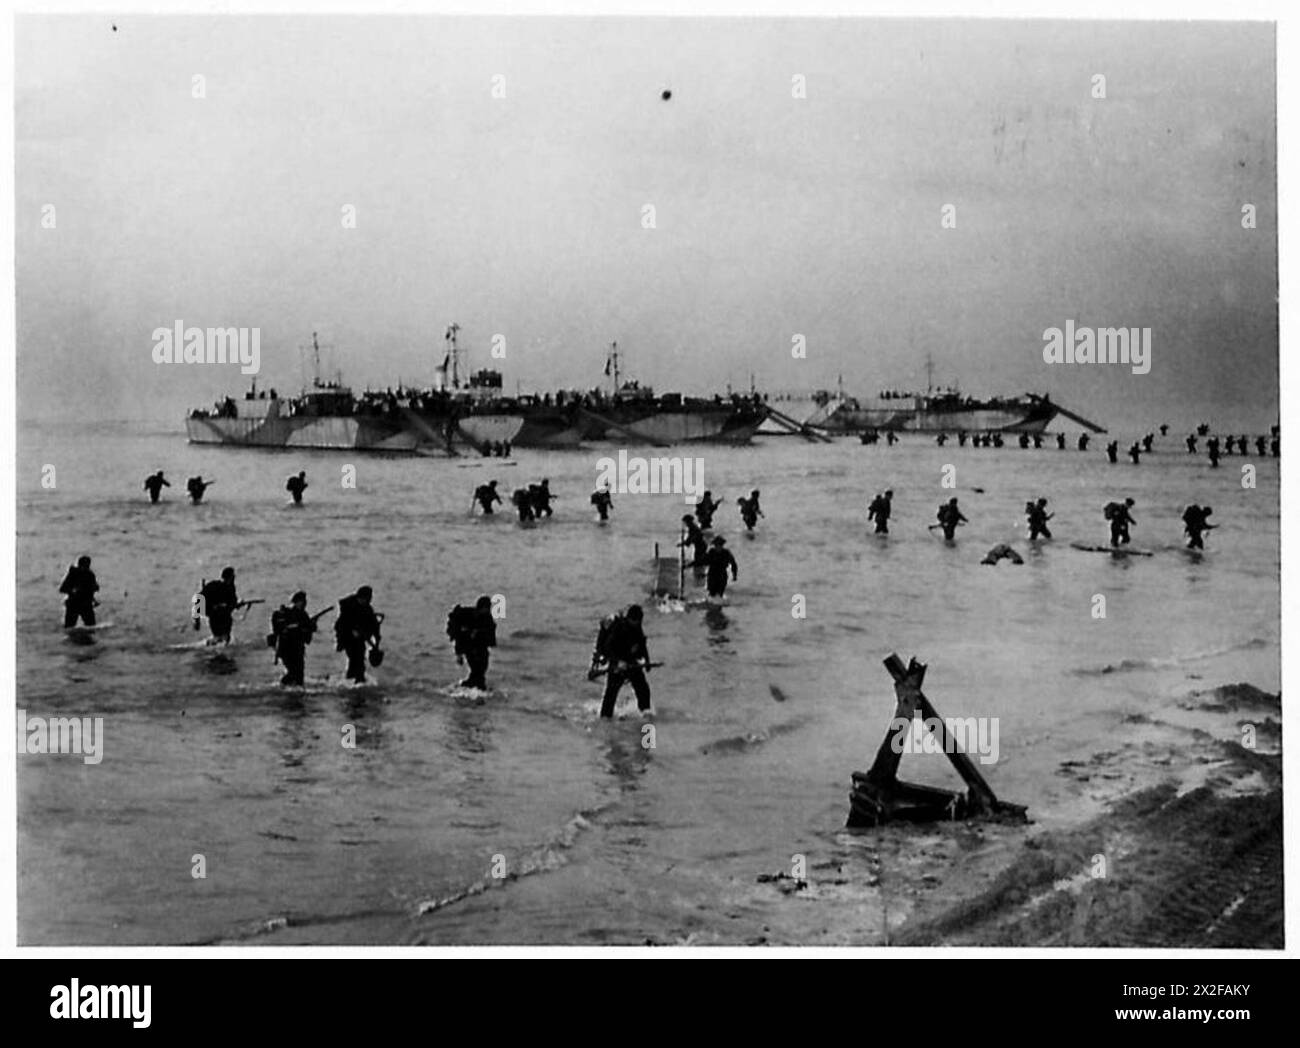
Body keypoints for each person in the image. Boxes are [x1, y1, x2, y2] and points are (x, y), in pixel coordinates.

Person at [590, 604, 653, 719]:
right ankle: (605, 718)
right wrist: (618, 662)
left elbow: (642, 644)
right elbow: (608, 648)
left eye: (639, 622)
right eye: (635, 621)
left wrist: (647, 661)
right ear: (630, 619)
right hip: (616, 659)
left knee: (642, 687)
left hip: (630, 659)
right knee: (611, 692)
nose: (637, 624)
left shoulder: (637, 627)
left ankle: (645, 712)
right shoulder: (618, 628)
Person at [446, 595, 497, 690]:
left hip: (480, 647)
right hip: (468, 646)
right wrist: (459, 654)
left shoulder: (487, 619)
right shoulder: (467, 615)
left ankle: (474, 686)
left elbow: (490, 639)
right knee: (476, 670)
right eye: (486, 608)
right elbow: (458, 635)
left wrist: (479, 633)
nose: (487, 610)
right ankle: (472, 686)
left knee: (481, 669)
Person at [269, 591, 319, 687]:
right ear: (296, 602)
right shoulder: (286, 614)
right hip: (287, 649)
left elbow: (308, 635)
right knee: (293, 673)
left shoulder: (303, 615)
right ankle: (283, 686)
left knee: (299, 675)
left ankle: (292, 690)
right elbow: (281, 629)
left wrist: (312, 626)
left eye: (305, 601)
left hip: (298, 649)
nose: (304, 603)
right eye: (302, 601)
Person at [335, 586, 383, 683]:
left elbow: (374, 626)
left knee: (358, 659)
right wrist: (351, 632)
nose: (367, 601)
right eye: (366, 599)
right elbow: (340, 626)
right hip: (347, 638)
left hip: (360, 639)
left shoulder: (368, 609)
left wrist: (376, 641)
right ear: (360, 597)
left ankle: (352, 680)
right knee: (356, 660)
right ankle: (356, 682)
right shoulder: (348, 608)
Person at [200, 567, 242, 643]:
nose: (234, 578)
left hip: (224, 617)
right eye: (233, 576)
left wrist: (236, 605)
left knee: (224, 639)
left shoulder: (231, 588)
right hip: (215, 617)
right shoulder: (214, 586)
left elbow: (232, 603)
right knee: (220, 638)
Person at [59, 555, 98, 628]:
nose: (85, 568)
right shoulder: (73, 574)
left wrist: (93, 599)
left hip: (86, 604)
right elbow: (62, 589)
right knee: (69, 628)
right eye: (84, 565)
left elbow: (91, 589)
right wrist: (73, 591)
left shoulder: (90, 575)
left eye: (87, 565)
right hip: (73, 603)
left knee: (91, 627)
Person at [696, 535, 739, 600]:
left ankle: (718, 606)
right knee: (711, 593)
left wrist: (734, 575)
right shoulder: (711, 552)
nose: (717, 547)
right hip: (712, 575)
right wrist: (691, 565)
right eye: (716, 545)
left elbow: (733, 564)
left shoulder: (726, 553)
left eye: (719, 545)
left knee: (719, 594)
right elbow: (703, 560)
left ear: (722, 545)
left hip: (722, 576)